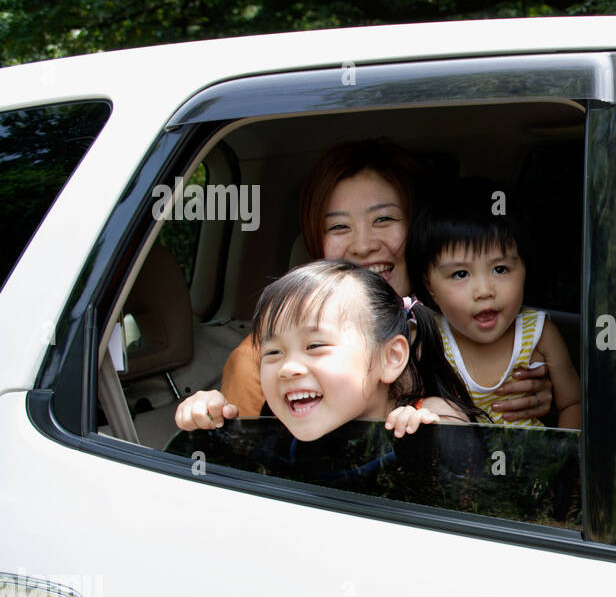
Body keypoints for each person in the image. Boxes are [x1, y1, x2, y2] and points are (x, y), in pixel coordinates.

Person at [174, 141, 553, 431]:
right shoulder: (266, 362)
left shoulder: (472, 324)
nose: (363, 245)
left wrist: (532, 399)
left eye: (384, 219)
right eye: (339, 227)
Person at [405, 178, 582, 430]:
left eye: (500, 269)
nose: (485, 291)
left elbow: (573, 403)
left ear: (524, 269)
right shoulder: (426, 338)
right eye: (461, 274)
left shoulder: (539, 335)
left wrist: (566, 460)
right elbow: (402, 410)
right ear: (430, 285)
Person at [252, 259, 480, 443]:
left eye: (314, 346)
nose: (288, 368)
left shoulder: (430, 416)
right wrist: (220, 424)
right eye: (273, 352)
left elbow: (465, 479)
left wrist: (432, 437)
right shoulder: (279, 430)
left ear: (391, 358)